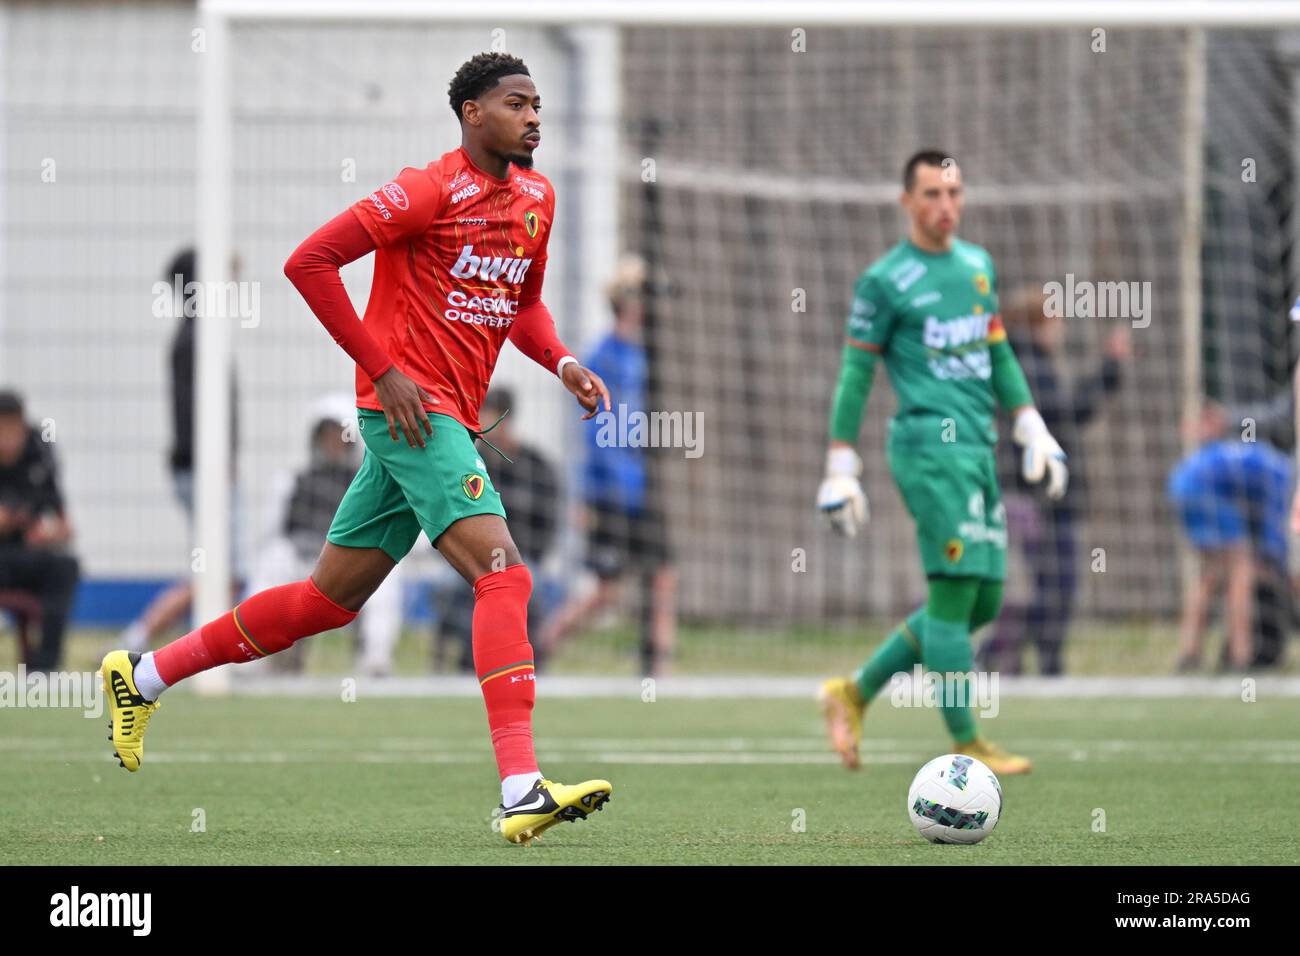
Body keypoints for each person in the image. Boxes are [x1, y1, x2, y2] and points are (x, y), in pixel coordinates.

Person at [99, 53, 614, 846]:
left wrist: (565, 362)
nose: (535, 117)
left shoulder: (537, 199)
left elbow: (525, 306)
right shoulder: (425, 190)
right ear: (473, 113)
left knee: (322, 604)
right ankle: (520, 788)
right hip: (412, 416)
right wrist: (383, 371)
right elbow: (309, 262)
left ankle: (143, 677)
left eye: (539, 104)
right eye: (518, 104)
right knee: (503, 572)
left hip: (440, 422)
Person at [816, 150, 1071, 776]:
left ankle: (853, 691)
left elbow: (998, 353)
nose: (945, 206)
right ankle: (966, 741)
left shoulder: (978, 266)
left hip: (979, 446)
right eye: (931, 193)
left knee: (982, 600)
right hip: (928, 447)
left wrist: (1030, 424)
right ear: (907, 202)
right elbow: (857, 371)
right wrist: (840, 463)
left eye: (954, 192)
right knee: (955, 592)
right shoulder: (885, 280)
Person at [535, 256, 678, 676]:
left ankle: (660, 668)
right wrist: (590, 496)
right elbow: (595, 430)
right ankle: (543, 644)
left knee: (663, 575)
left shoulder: (644, 353)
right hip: (610, 492)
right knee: (608, 592)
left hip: (642, 488)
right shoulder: (603, 354)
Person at [976, 285, 1129, 675]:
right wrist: (1109, 369)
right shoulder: (1026, 364)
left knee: (1044, 584)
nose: (1061, 328)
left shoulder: (1026, 362)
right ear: (1039, 323)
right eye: (1056, 319)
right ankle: (1025, 658)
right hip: (1039, 496)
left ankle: (1008, 657)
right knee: (1054, 583)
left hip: (1036, 494)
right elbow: (1064, 414)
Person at [118, 248, 244, 652]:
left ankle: (175, 648)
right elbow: (195, 413)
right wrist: (216, 462)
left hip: (199, 467)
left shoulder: (200, 334)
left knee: (216, 567)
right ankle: (146, 644)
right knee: (218, 568)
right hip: (200, 469)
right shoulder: (196, 340)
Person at [248, 394, 404, 677]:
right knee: (273, 560)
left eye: (340, 436)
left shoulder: (369, 483)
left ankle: (375, 661)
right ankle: (255, 657)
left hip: (351, 567)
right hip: (301, 563)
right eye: (327, 435)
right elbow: (270, 533)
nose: (333, 442)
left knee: (390, 572)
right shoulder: (292, 481)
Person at [433, 387, 560, 672]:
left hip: (523, 558)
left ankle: (531, 666)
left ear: (505, 418)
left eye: (487, 414)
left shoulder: (536, 466)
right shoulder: (468, 463)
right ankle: (466, 664)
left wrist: (528, 557)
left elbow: (549, 520)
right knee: (447, 587)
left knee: (530, 586)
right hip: (472, 559)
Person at [1169, 419, 1292, 672]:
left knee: (1211, 575)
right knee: (1241, 571)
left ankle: (1189, 653)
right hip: (1203, 490)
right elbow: (1274, 529)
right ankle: (1240, 656)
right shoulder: (1286, 478)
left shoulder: (1273, 462)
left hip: (1181, 484)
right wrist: (1276, 563)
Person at [0, 390, 80, 671]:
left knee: (65, 567)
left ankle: (44, 669)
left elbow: (63, 523)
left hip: (24, 553)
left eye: (14, 430)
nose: (9, 440)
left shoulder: (39, 453)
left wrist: (53, 533)